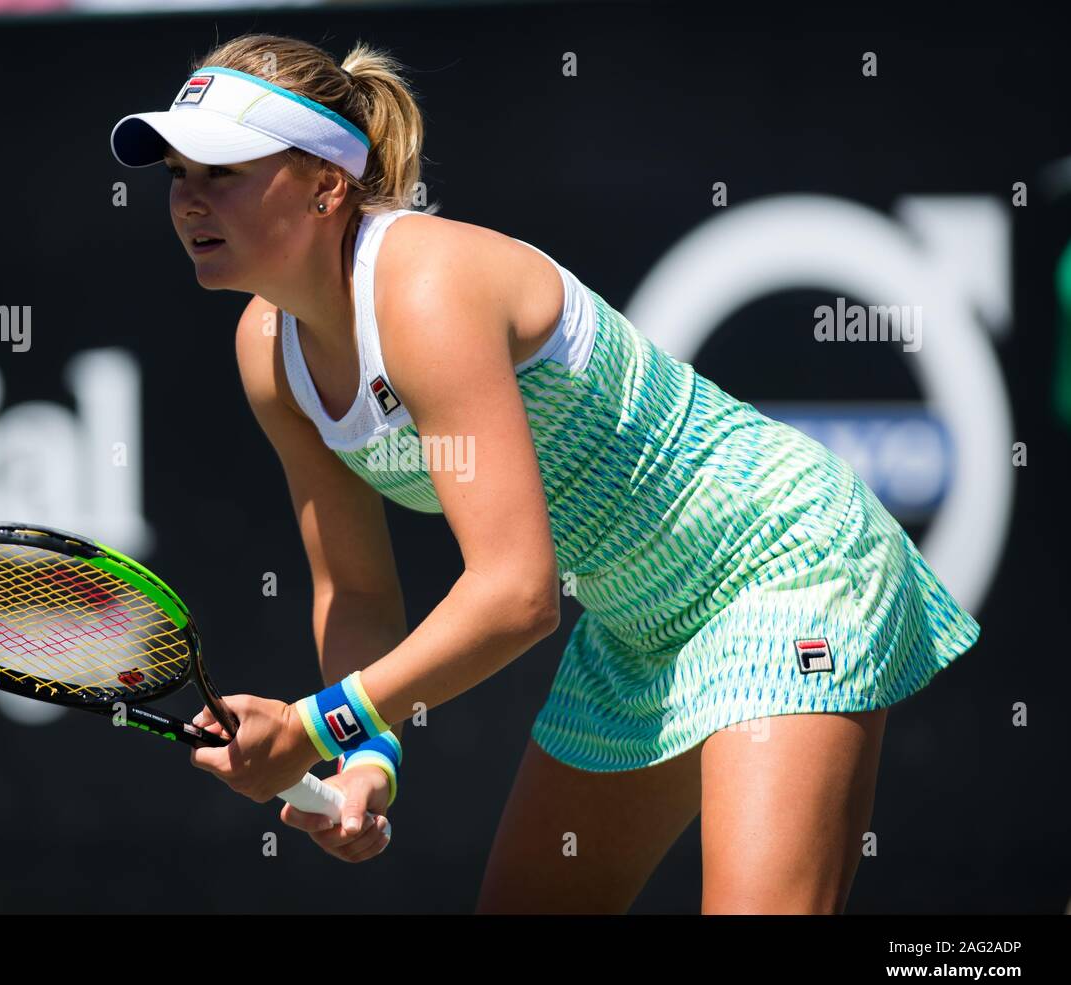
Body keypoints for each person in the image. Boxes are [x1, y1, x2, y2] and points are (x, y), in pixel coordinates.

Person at [109, 32, 980, 913]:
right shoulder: (266, 350)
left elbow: (518, 595)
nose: (188, 201)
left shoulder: (425, 287)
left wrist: (315, 723)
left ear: (328, 185)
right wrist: (366, 757)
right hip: (634, 630)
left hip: (783, 565)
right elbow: (356, 588)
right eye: (177, 174)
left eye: (222, 172)